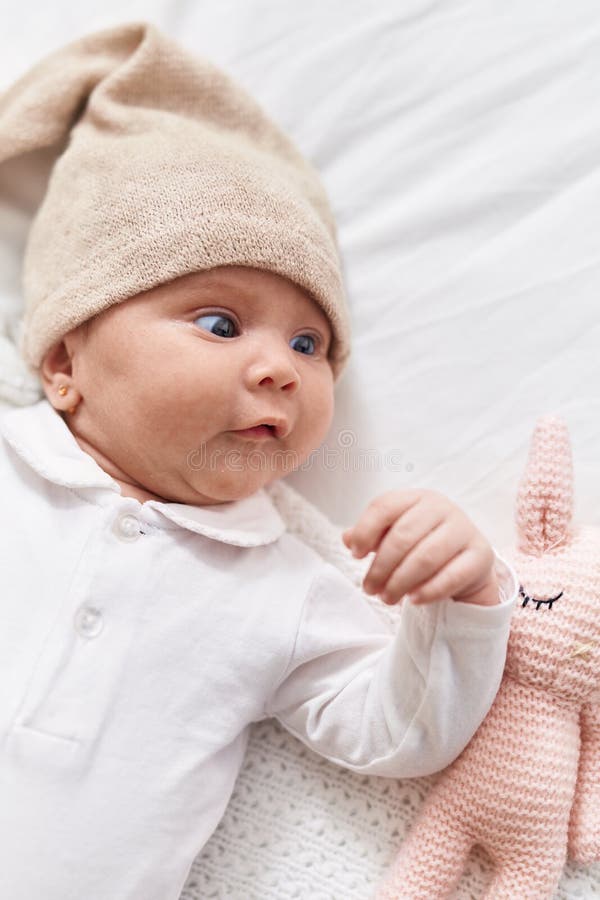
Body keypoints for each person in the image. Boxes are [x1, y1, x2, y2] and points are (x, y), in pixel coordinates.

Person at [0, 21, 518, 900]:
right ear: (64, 365)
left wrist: (459, 605)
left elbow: (398, 735)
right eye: (219, 323)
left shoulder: (281, 587)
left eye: (312, 342)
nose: (280, 366)